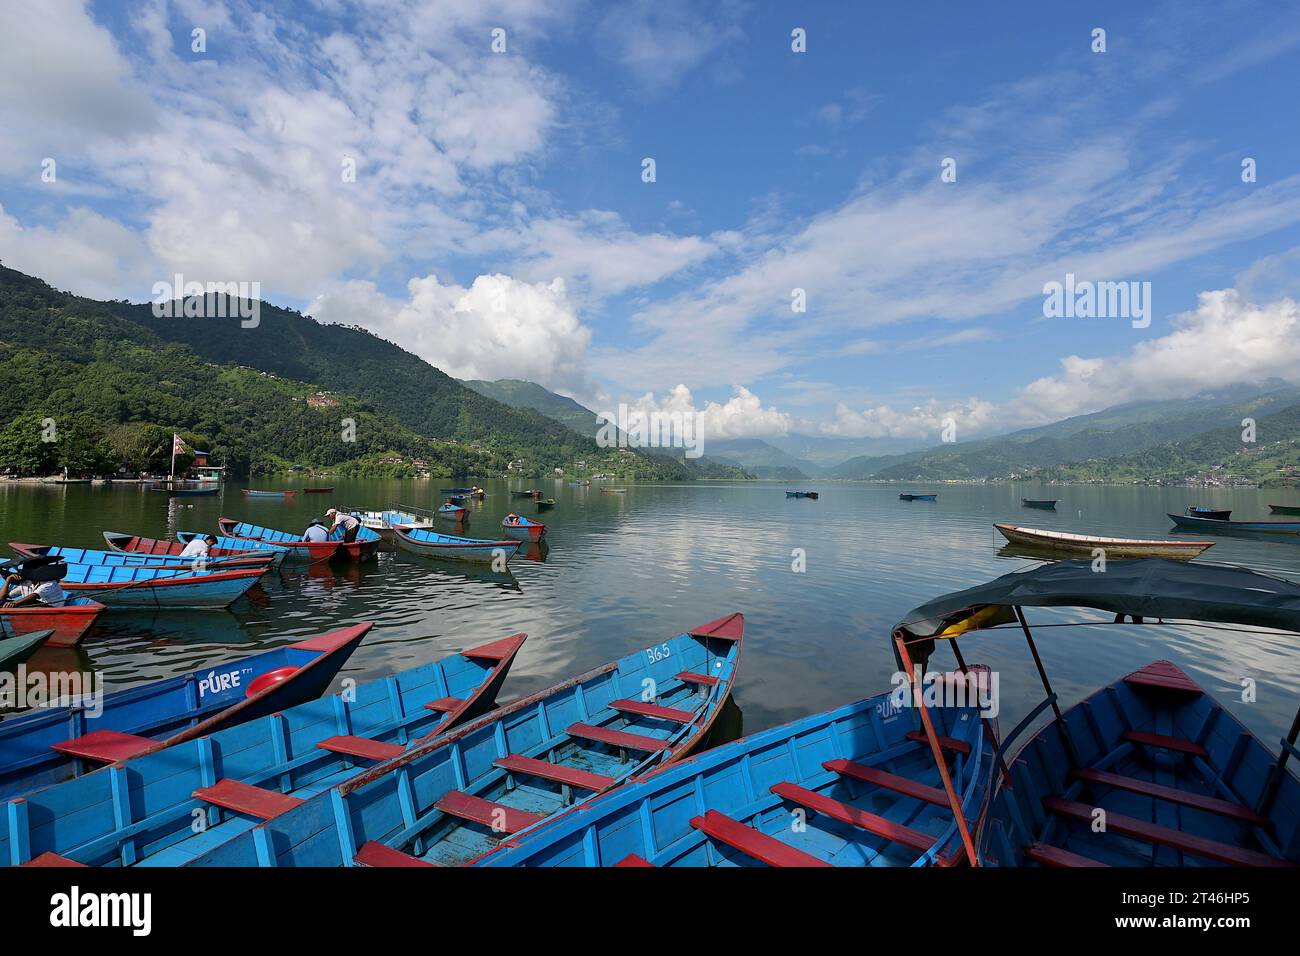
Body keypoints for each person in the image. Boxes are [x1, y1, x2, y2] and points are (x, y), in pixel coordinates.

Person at [0, 559, 69, 607]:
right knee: (2, 602)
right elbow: (2, 597)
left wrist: (15, 603)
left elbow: (34, 596)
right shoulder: (25, 583)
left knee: (27, 602)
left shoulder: (50, 583)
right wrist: (8, 580)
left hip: (53, 609)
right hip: (35, 607)